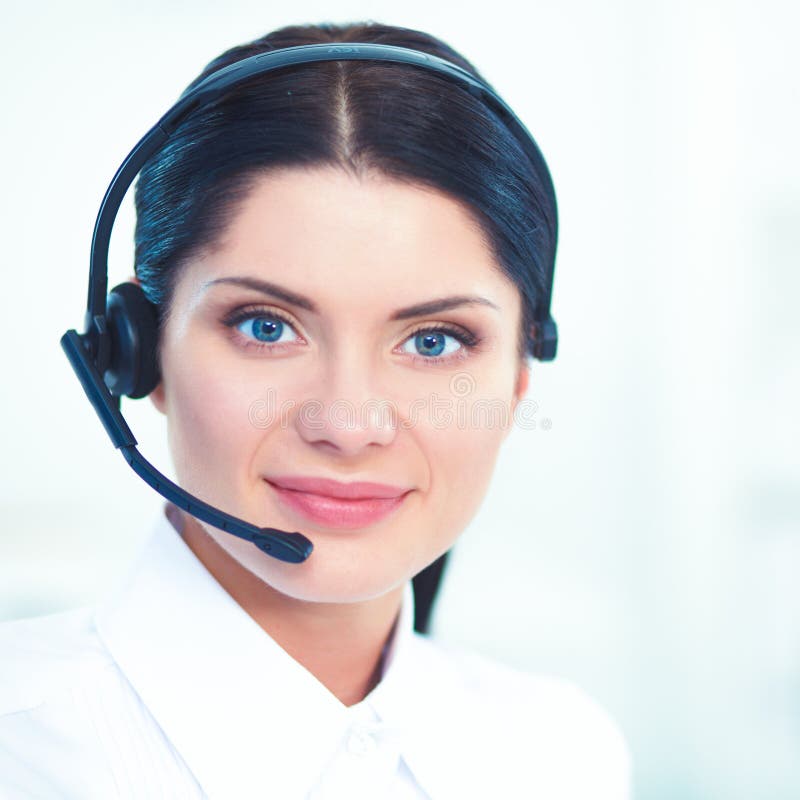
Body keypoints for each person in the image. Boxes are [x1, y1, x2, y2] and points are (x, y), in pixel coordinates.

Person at [0, 20, 632, 799]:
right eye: (266, 327)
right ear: (136, 354)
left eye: (434, 341)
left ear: (518, 379)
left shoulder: (563, 754)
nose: (348, 424)